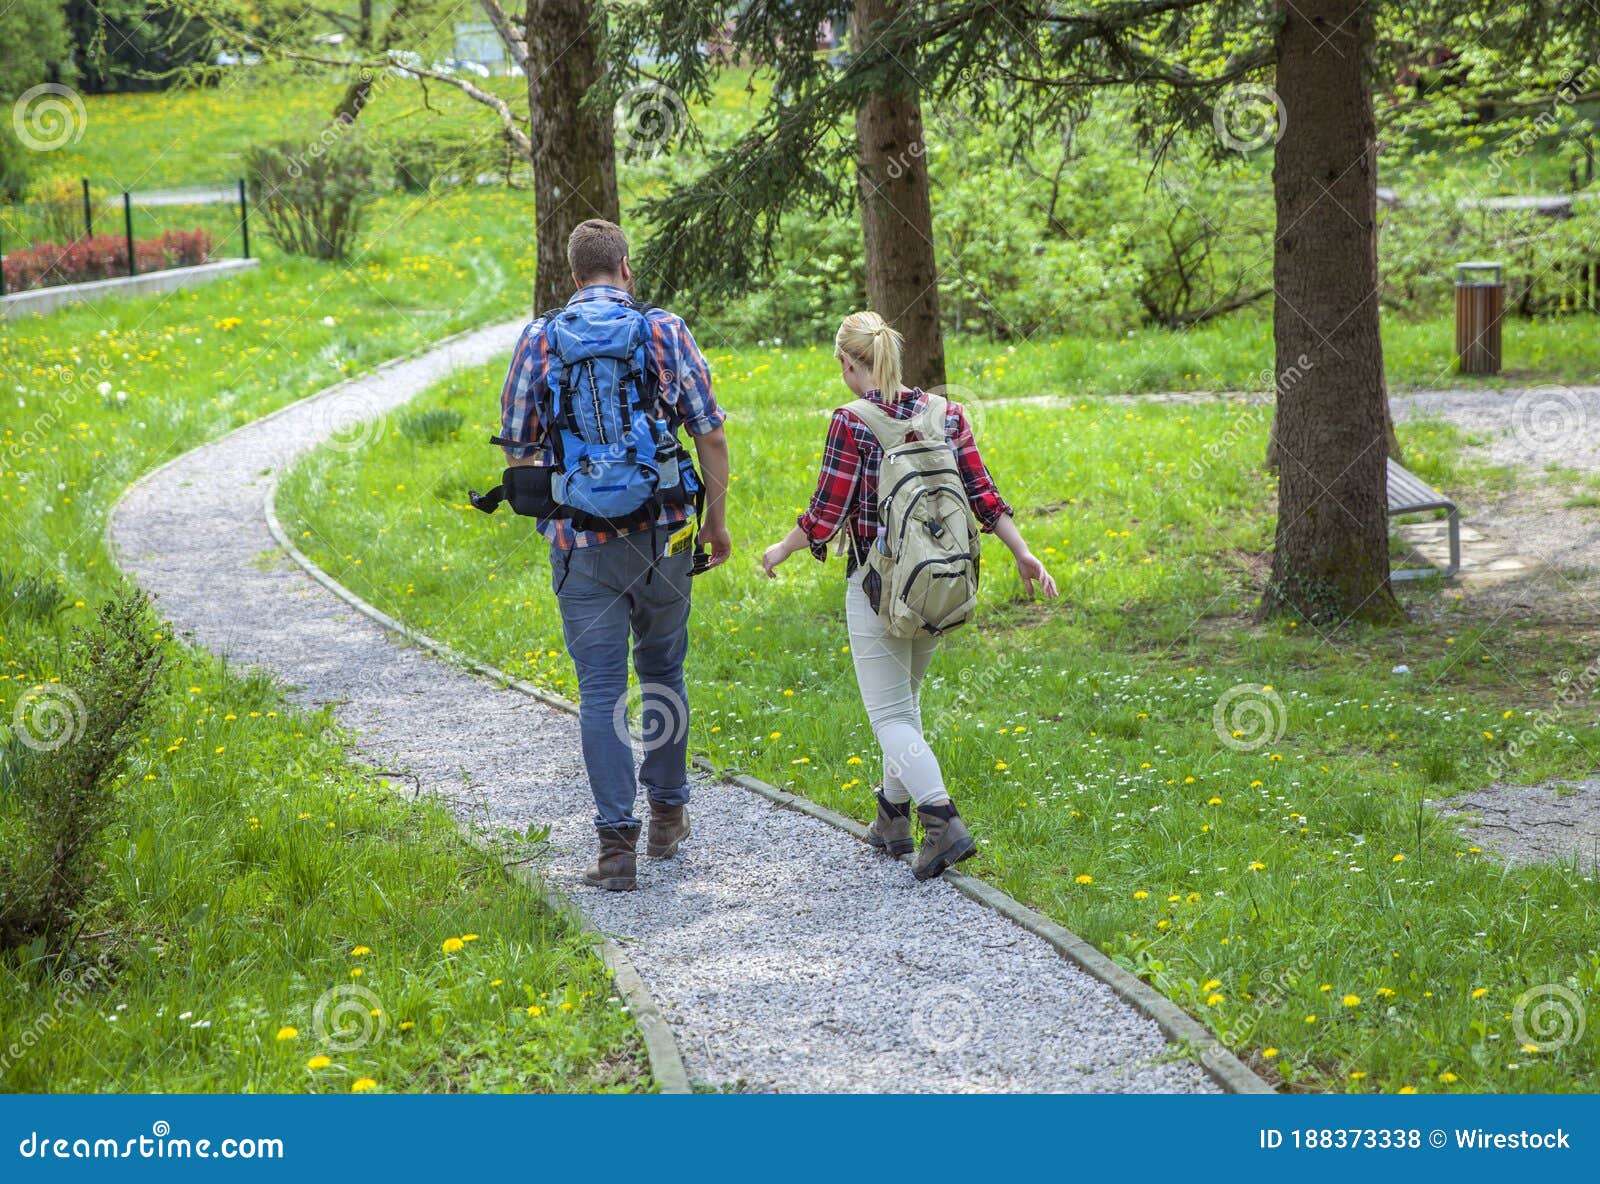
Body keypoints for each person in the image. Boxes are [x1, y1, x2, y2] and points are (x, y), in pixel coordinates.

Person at [760, 311, 1056, 880]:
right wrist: (1022, 552)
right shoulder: (946, 413)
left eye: (843, 367)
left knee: (891, 714)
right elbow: (983, 495)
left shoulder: (852, 422)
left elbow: (826, 516)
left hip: (879, 586)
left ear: (848, 363)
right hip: (942, 582)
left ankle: (941, 820)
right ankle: (892, 817)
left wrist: (781, 548)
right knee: (907, 705)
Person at [498, 219, 730, 892]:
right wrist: (716, 523)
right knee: (663, 672)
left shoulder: (539, 339)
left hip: (580, 545)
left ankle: (614, 851)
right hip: (663, 533)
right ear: (626, 268)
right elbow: (709, 435)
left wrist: (572, 496)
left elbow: (519, 446)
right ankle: (668, 814)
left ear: (573, 278)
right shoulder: (664, 331)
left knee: (600, 693)